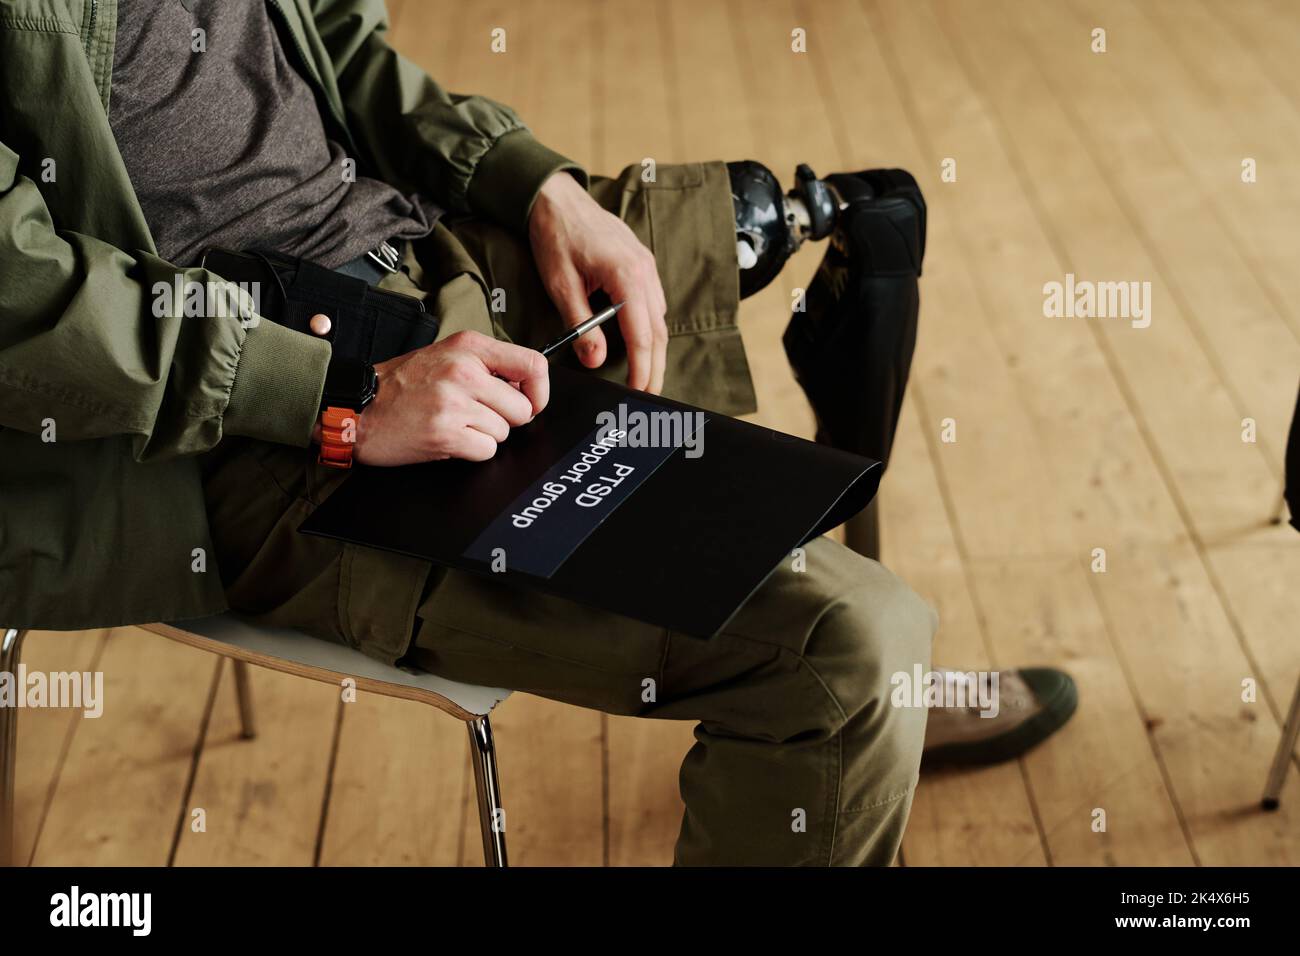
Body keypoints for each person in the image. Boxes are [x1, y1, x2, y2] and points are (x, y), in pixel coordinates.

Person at [0, 0, 1074, 865]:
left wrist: (536, 182)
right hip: (229, 425)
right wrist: (336, 392)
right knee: (852, 648)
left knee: (877, 217)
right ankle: (853, 708)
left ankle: (867, 740)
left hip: (418, 252)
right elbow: (22, 299)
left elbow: (334, 35)